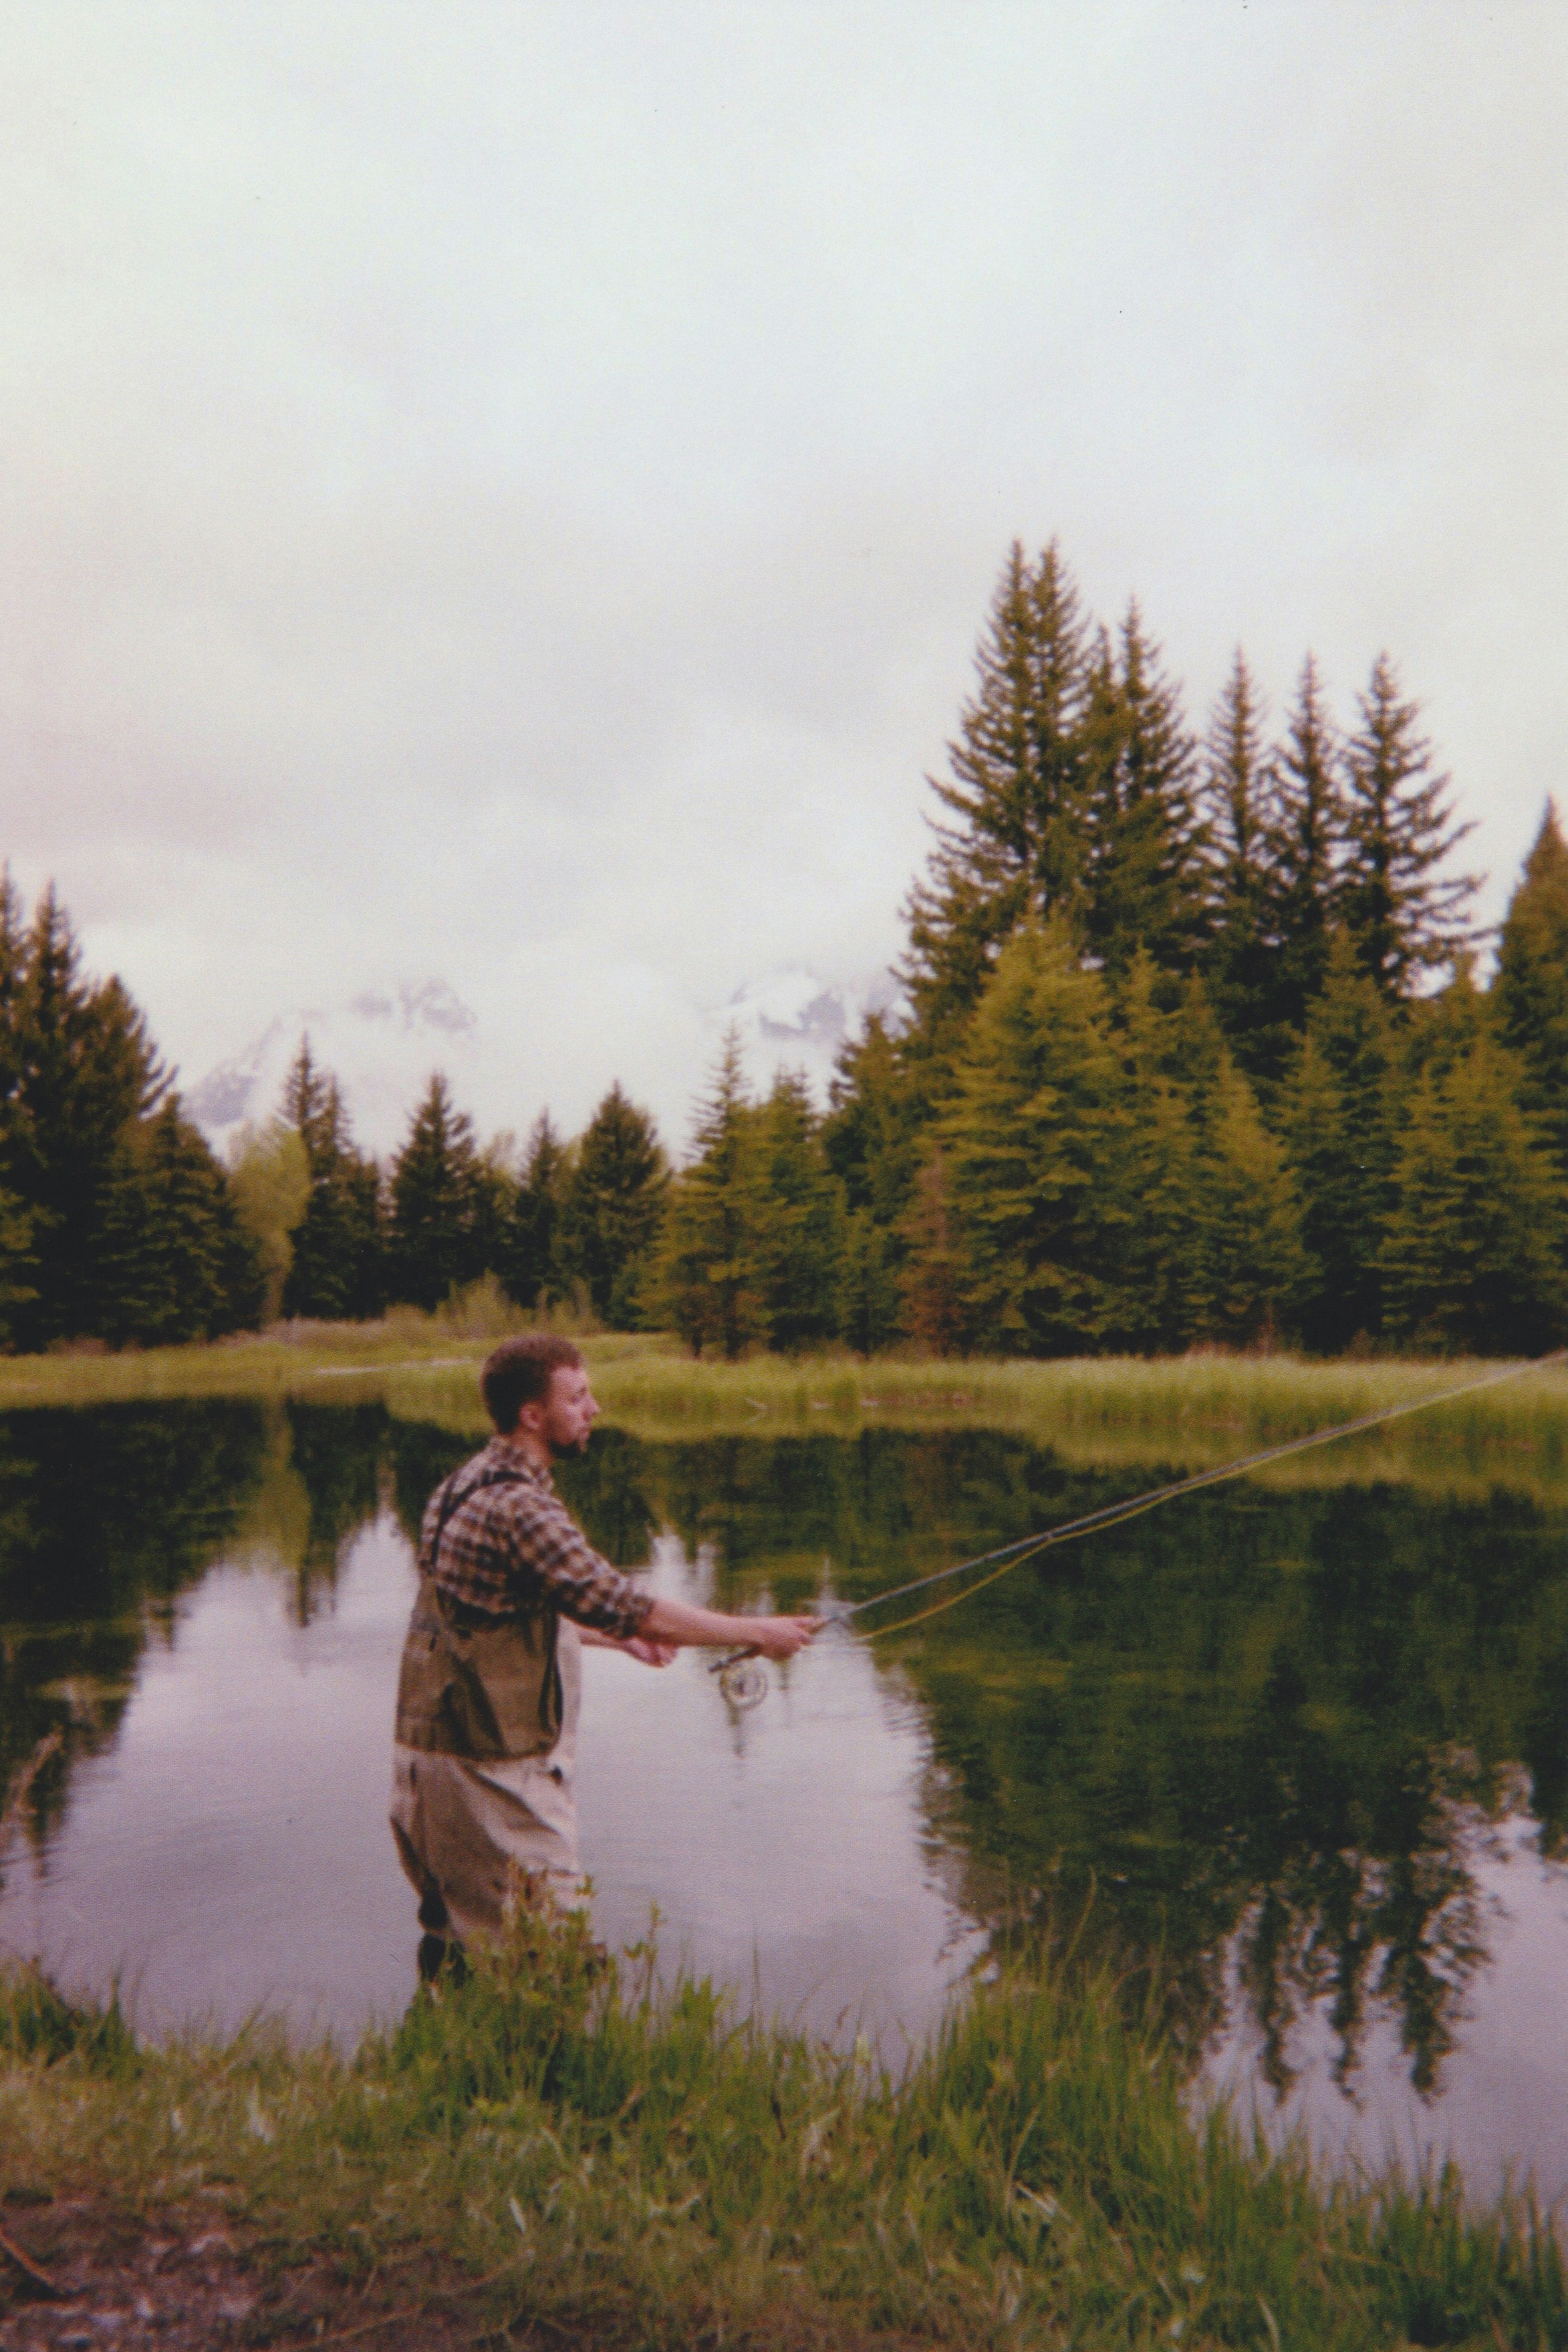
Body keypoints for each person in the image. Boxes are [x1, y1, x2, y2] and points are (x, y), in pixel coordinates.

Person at [390, 1332, 819, 1964]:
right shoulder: (521, 1507)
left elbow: (490, 1614)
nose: (594, 1408)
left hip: (427, 1764)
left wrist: (615, 1640)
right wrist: (759, 1632)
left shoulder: (463, 1484)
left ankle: (453, 2059)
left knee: (458, 1949)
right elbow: (626, 1601)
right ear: (532, 1416)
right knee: (556, 1963)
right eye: (579, 1396)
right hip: (487, 1776)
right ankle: (545, 2065)